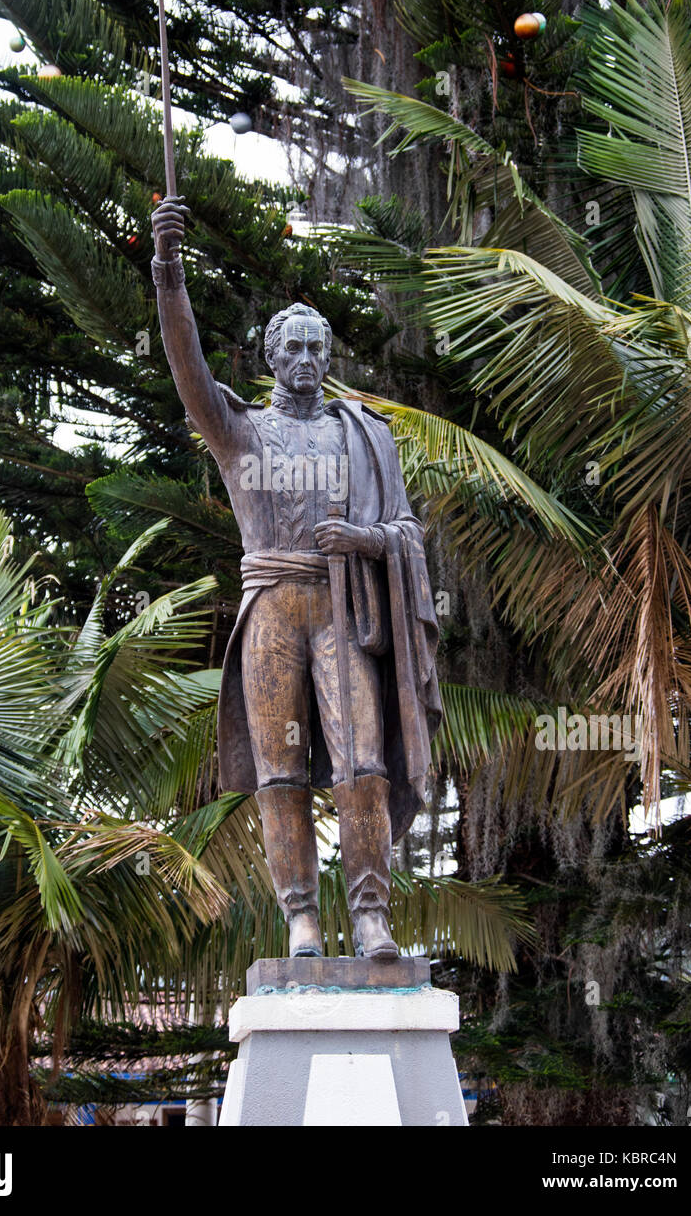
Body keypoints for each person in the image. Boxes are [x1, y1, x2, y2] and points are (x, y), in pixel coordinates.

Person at [152, 196, 442, 959]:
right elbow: (187, 369)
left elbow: (408, 531)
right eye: (296, 349)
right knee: (280, 773)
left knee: (363, 762)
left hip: (345, 610)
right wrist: (169, 273)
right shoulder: (240, 430)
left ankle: (373, 915)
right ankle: (303, 919)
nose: (310, 360)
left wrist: (364, 536)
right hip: (274, 611)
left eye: (320, 347)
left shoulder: (363, 437)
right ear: (272, 360)